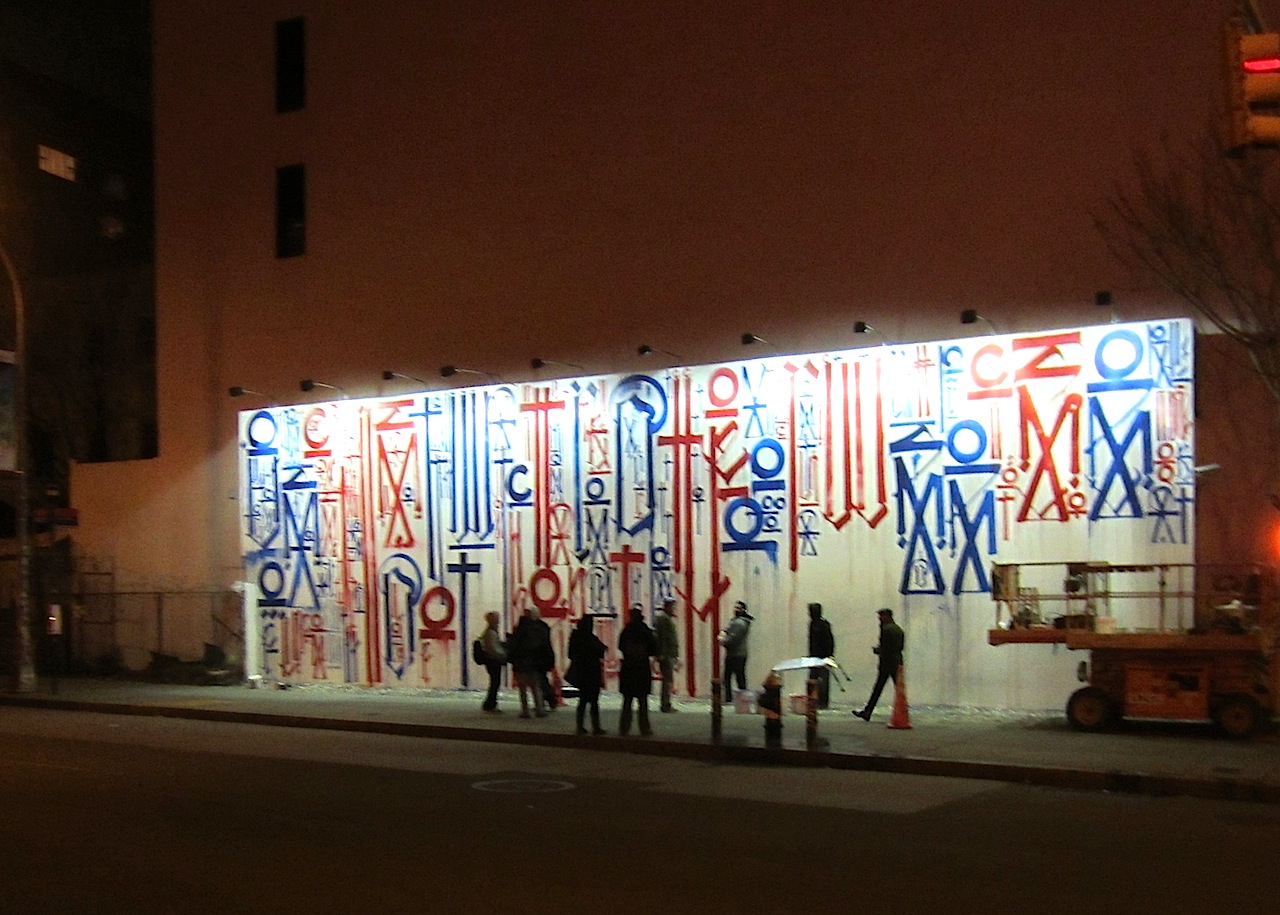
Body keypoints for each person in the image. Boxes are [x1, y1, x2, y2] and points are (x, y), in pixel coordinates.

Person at [854, 607, 905, 721]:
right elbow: (900, 647)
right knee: (899, 689)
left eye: (881, 616)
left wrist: (877, 650)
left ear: (886, 616)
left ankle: (867, 712)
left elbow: (885, 648)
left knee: (877, 689)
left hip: (886, 663)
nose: (879, 619)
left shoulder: (886, 629)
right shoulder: (898, 629)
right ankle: (903, 711)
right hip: (897, 662)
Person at [617, 603, 658, 736]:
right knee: (642, 702)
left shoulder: (626, 630)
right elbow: (653, 649)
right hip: (641, 669)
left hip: (628, 669)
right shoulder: (645, 631)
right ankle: (644, 728)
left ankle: (624, 728)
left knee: (627, 702)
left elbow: (620, 646)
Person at [567, 615, 607, 735]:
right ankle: (596, 726)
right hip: (591, 672)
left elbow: (570, 654)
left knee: (583, 700)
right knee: (593, 701)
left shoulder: (575, 637)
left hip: (581, 672)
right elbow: (600, 651)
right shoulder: (590, 638)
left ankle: (580, 726)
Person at [508, 607, 547, 718]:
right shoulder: (537, 629)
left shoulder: (519, 629)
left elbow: (514, 646)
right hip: (533, 662)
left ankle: (525, 711)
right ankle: (540, 709)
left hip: (521, 663)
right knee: (536, 687)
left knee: (523, 688)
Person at [718, 600, 753, 704]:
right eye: (735, 607)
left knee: (728, 677)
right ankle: (742, 699)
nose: (735, 610)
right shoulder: (741, 622)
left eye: (738, 608)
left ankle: (730, 698)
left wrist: (723, 640)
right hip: (740, 654)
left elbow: (733, 638)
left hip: (735, 654)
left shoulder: (739, 623)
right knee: (740, 677)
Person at [653, 598, 680, 712]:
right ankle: (665, 704)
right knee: (667, 680)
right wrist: (662, 653)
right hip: (666, 654)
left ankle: (666, 703)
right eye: (672, 606)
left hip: (668, 654)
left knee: (668, 680)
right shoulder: (664, 619)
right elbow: (662, 638)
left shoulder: (665, 618)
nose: (674, 609)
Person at [807, 602, 835, 709]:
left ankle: (823, 702)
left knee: (823, 681)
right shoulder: (812, 624)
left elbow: (830, 641)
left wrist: (829, 656)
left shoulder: (823, 625)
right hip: (814, 658)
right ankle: (813, 701)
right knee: (813, 680)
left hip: (823, 658)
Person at [479, 611, 506, 712]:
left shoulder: (489, 631)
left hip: (492, 660)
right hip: (493, 660)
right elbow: (493, 648)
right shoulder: (491, 632)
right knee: (495, 682)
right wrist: (502, 655)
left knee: (494, 682)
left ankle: (490, 703)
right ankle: (490, 703)